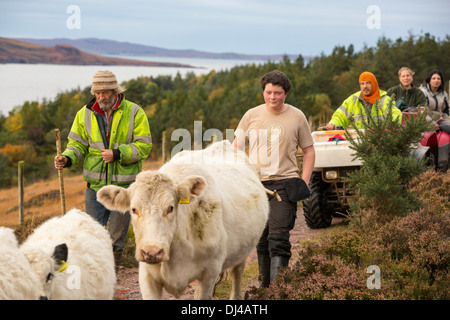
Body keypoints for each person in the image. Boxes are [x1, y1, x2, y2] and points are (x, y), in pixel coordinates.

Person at [54, 70, 152, 268]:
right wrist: (67, 158)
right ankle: (94, 272)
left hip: (123, 188)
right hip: (95, 187)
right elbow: (77, 145)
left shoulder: (134, 112)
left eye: (105, 92)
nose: (100, 97)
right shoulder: (84, 114)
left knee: (117, 237)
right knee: (91, 233)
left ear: (115, 90)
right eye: (97, 93)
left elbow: (144, 146)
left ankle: (113, 272)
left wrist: (117, 153)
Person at [233, 70, 315, 287]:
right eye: (268, 92)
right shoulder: (251, 115)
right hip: (255, 187)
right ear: (263, 92)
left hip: (284, 185)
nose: (272, 97)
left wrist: (304, 182)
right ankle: (264, 288)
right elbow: (237, 148)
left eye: (277, 93)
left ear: (285, 93)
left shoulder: (297, 116)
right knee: (261, 241)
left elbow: (309, 151)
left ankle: (278, 290)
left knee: (278, 239)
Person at [326, 71, 402, 130]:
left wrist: (386, 129)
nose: (365, 86)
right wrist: (333, 124)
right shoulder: (353, 99)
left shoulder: (384, 99)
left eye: (368, 83)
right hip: (360, 142)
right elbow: (340, 115)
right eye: (362, 84)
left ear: (374, 84)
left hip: (380, 140)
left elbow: (395, 115)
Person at [420, 69, 450, 172]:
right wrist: (432, 123)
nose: (436, 80)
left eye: (438, 78)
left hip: (441, 120)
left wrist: (446, 119)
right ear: (429, 80)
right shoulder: (423, 92)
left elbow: (447, 110)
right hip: (428, 121)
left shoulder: (443, 93)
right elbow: (423, 111)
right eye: (434, 78)